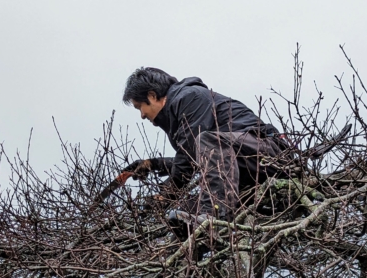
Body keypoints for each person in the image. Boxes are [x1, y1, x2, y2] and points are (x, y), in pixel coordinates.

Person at [122, 67, 286, 227]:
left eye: (139, 107)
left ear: (152, 95)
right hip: (246, 169)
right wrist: (153, 163)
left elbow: (189, 158)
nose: (142, 115)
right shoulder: (178, 112)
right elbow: (197, 157)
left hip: (271, 155)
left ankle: (213, 216)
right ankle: (196, 244)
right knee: (184, 218)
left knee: (207, 140)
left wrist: (165, 195)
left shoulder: (189, 97)